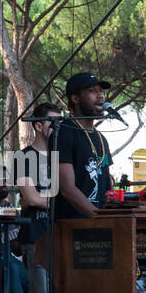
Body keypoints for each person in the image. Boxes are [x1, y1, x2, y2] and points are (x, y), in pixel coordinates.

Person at [16, 101, 64, 293]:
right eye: (53, 123)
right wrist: (61, 200)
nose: (58, 128)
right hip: (36, 237)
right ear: (38, 125)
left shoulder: (65, 157)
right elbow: (32, 198)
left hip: (66, 237)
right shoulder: (23, 158)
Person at [54, 72, 114, 220]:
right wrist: (99, 217)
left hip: (99, 222)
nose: (100, 96)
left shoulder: (101, 138)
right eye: (92, 91)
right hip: (73, 225)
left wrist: (112, 216)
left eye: (101, 91)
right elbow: (67, 188)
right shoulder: (63, 132)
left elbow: (107, 185)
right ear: (75, 98)